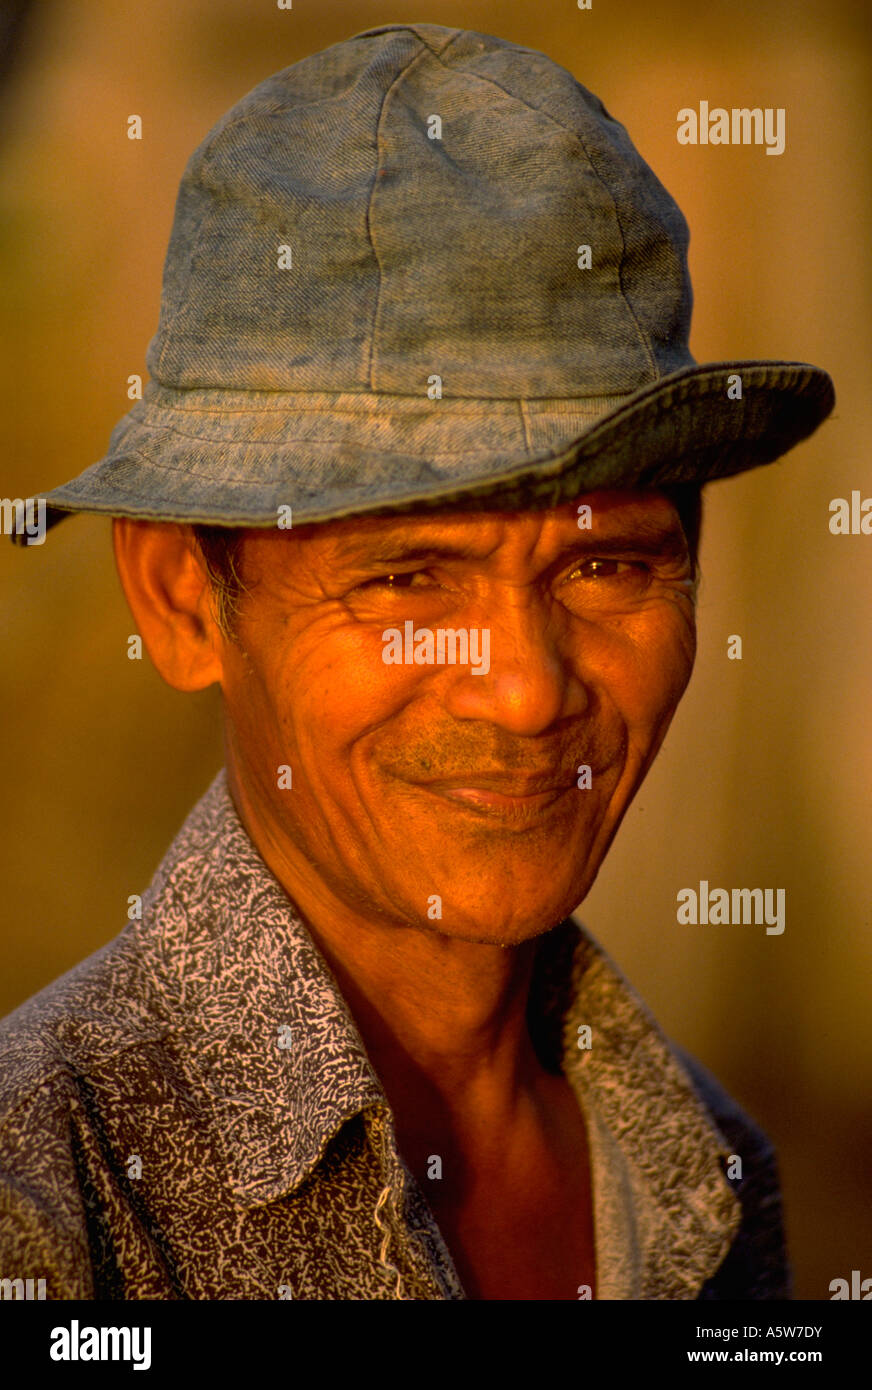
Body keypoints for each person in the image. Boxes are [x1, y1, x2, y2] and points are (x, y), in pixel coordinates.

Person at [0, 22, 834, 1300]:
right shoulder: (44, 1207)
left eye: (605, 565)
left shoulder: (700, 1172)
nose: (526, 688)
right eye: (404, 579)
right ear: (179, 599)